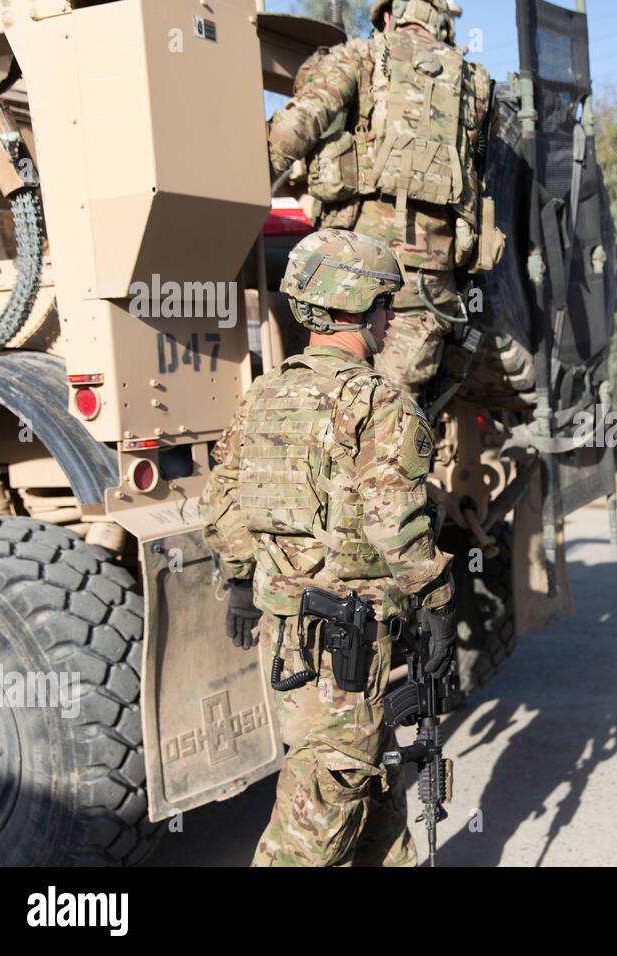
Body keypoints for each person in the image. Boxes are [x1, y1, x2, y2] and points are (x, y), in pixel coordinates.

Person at [200, 228, 456, 867]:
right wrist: (438, 601)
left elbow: (226, 499)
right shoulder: (375, 402)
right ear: (361, 307)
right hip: (347, 642)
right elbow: (397, 523)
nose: (391, 318)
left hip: (290, 635)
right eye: (387, 305)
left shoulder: (264, 393)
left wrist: (237, 580)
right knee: (318, 813)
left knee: (369, 791)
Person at [265, 0, 499, 403]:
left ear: (388, 16)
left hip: (351, 270)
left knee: (336, 395)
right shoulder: (474, 81)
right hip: (430, 281)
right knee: (396, 406)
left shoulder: (361, 55)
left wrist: (251, 181)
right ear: (443, 24)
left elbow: (297, 125)